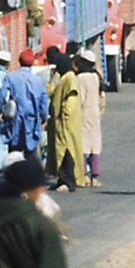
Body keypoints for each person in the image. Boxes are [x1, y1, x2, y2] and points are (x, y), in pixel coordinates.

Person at [46, 51, 83, 193]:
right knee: (58, 153)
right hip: (58, 124)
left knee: (67, 153)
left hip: (66, 125)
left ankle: (69, 181)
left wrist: (65, 113)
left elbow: (72, 98)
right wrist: (52, 78)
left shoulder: (70, 78)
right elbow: (52, 93)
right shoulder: (62, 78)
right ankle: (61, 179)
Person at [4, 49, 50, 161]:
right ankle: (29, 175)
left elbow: (2, 97)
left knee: (14, 151)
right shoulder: (38, 80)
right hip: (32, 121)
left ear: (19, 61)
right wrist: (44, 117)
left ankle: (14, 175)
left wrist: (1, 111)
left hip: (14, 121)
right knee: (31, 152)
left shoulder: (10, 77)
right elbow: (43, 102)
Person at [76, 51, 105, 187]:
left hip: (83, 115)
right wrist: (100, 112)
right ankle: (95, 176)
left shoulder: (81, 78)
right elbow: (102, 98)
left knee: (83, 146)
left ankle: (84, 175)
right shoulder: (96, 77)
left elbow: (80, 99)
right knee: (95, 146)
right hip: (95, 115)